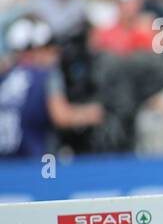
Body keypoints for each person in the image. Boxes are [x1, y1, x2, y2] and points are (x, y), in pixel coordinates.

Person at [0, 16, 103, 158]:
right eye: (49, 47)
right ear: (34, 50)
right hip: (37, 163)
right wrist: (93, 113)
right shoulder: (46, 75)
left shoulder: (6, 76)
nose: (56, 53)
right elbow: (60, 116)